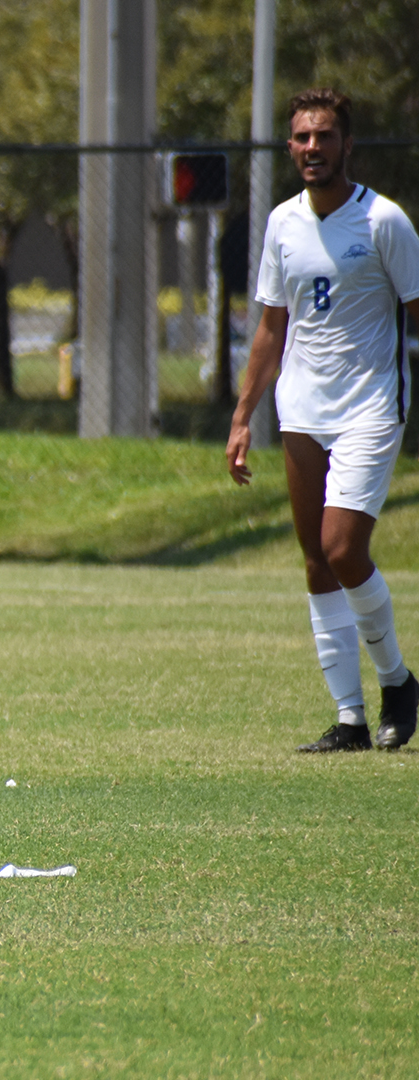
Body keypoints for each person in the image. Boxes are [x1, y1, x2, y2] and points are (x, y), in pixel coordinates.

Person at [228, 87, 419, 753]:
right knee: (314, 560)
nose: (313, 148)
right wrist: (244, 415)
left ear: (348, 145)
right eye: (303, 137)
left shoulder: (384, 222)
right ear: (290, 147)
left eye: (325, 136)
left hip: (370, 408)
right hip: (301, 410)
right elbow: (270, 329)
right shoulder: (282, 223)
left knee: (344, 549)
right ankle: (349, 720)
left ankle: (397, 682)